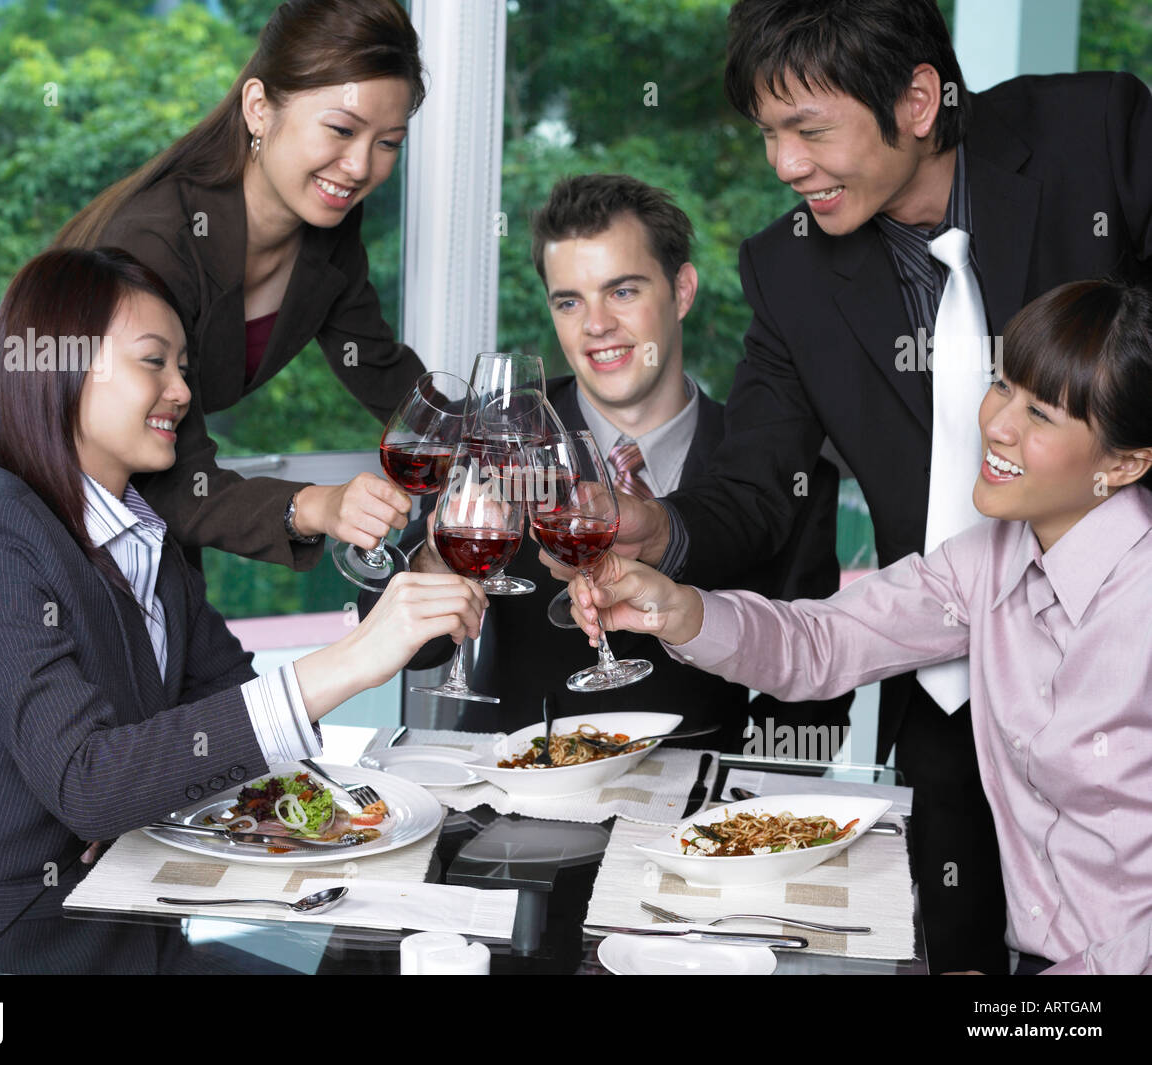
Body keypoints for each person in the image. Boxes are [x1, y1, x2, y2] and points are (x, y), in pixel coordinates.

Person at [544, 0, 1152, 973]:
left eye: (808, 128)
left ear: (916, 100)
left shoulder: (1099, 142)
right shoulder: (788, 269)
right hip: (950, 678)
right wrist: (651, 533)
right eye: (767, 133)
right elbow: (759, 496)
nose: (784, 166)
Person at [0, 248, 486, 975]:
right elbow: (87, 783)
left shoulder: (147, 539)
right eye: (154, 361)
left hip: (126, 937)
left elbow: (228, 716)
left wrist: (380, 796)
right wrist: (350, 658)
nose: (181, 390)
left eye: (183, 365)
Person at [569, 278, 1152, 975]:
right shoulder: (991, 559)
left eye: (1042, 414)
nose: (996, 424)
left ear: (1124, 462)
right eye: (1002, 385)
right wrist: (676, 607)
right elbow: (825, 642)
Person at [0, 0, 430, 649]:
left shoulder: (329, 234)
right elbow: (177, 481)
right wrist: (317, 506)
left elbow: (382, 370)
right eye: (340, 129)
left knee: (174, 732)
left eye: (387, 143)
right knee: (40, 746)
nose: (361, 167)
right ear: (259, 108)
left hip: (142, 504)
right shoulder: (158, 242)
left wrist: (500, 445)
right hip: (26, 510)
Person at [378, 174, 849, 748]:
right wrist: (438, 554)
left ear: (682, 291)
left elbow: (813, 697)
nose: (596, 325)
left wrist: (757, 811)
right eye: (570, 301)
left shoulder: (778, 467)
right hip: (509, 791)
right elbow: (409, 649)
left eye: (622, 292)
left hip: (694, 811)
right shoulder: (496, 433)